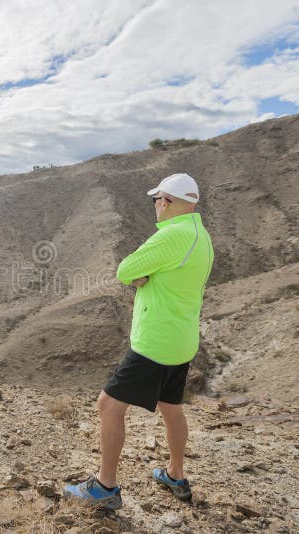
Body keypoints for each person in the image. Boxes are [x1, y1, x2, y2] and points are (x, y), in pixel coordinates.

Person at [63, 172, 214, 511]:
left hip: (155, 344)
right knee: (171, 408)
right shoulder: (200, 235)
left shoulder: (172, 236)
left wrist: (139, 277)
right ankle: (175, 474)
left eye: (158, 199)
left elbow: (125, 269)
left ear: (169, 202)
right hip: (181, 340)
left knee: (108, 406)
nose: (156, 205)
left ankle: (105, 487)